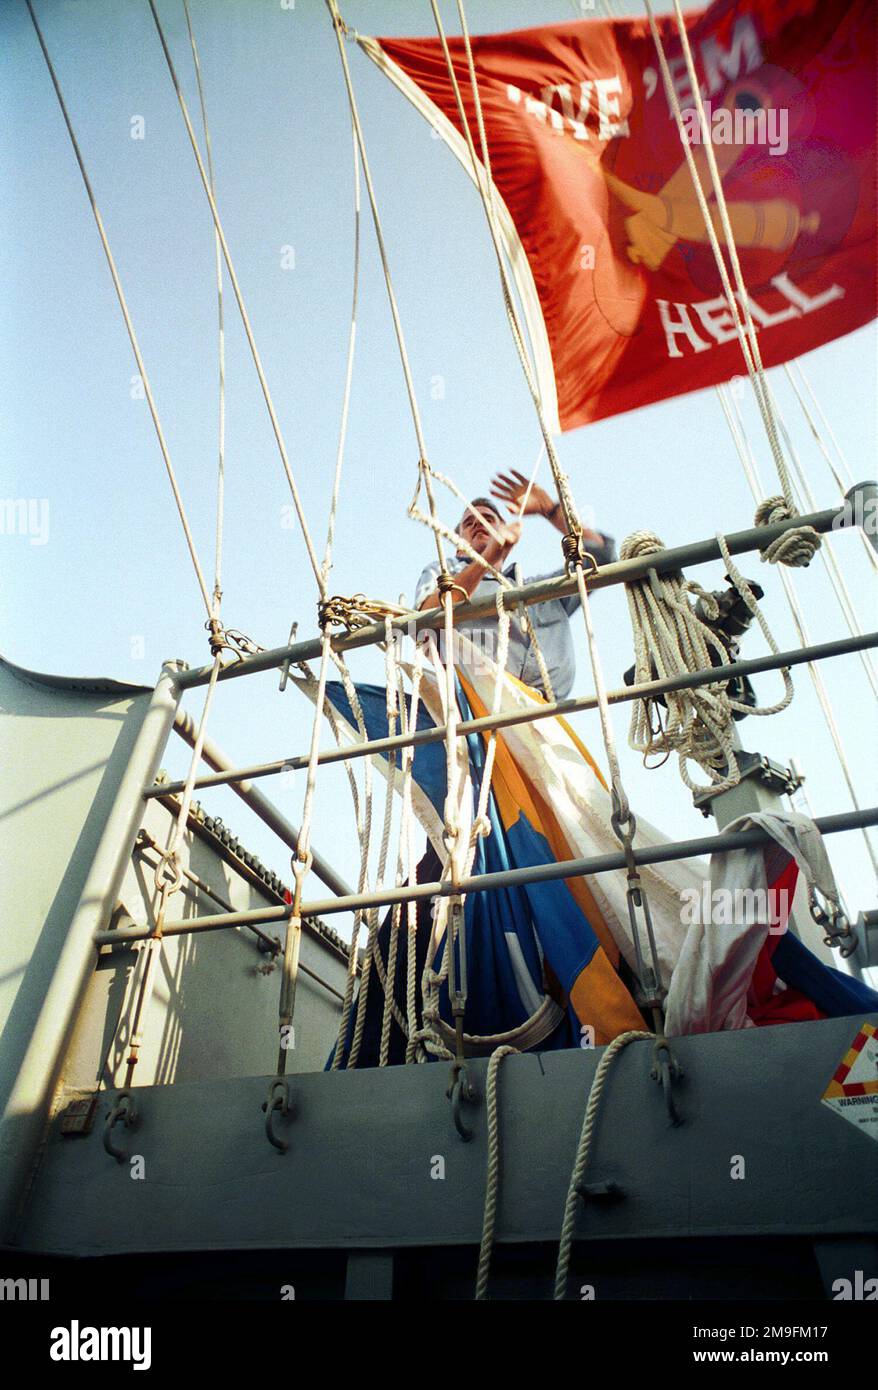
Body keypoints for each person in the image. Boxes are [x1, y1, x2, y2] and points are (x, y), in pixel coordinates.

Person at [414, 469, 616, 699]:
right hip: (474, 708)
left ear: (504, 528)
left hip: (545, 714)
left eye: (488, 519)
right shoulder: (442, 573)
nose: (478, 523)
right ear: (459, 543)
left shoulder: (539, 589)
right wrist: (487, 558)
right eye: (469, 522)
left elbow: (601, 557)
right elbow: (424, 622)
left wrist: (551, 510)